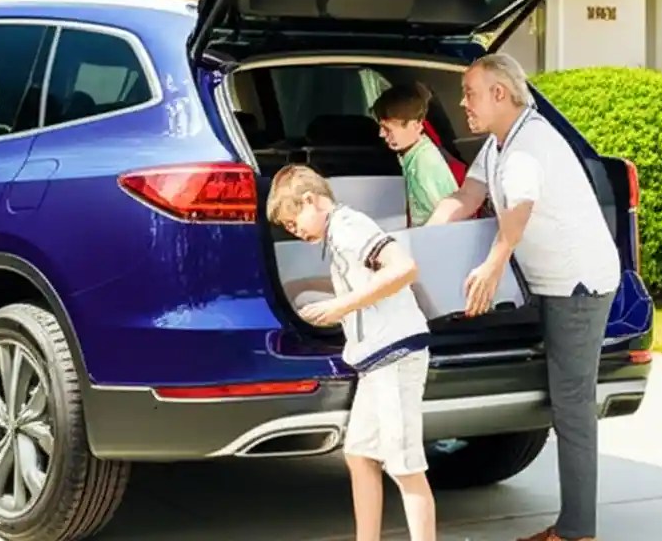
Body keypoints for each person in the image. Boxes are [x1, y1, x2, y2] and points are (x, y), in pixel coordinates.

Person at [426, 53, 621, 541]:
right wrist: (416, 245)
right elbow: (466, 197)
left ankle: (578, 532)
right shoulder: (498, 145)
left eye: (470, 92)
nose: (463, 103)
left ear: (500, 93)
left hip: (577, 284)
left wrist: (493, 264)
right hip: (547, 282)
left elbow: (520, 209)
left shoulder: (529, 145)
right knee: (562, 397)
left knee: (572, 406)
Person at [265, 164, 437, 541]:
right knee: (359, 453)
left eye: (295, 222)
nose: (295, 232)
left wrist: (340, 307)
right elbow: (365, 278)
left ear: (311, 200)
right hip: (375, 360)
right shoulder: (339, 236)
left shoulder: (349, 228)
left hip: (394, 354)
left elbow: (403, 267)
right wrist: (315, 289)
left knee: (404, 464)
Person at [372, 83, 461, 226]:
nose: (381, 134)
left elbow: (447, 219)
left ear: (416, 126)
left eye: (387, 129)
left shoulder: (424, 165)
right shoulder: (414, 155)